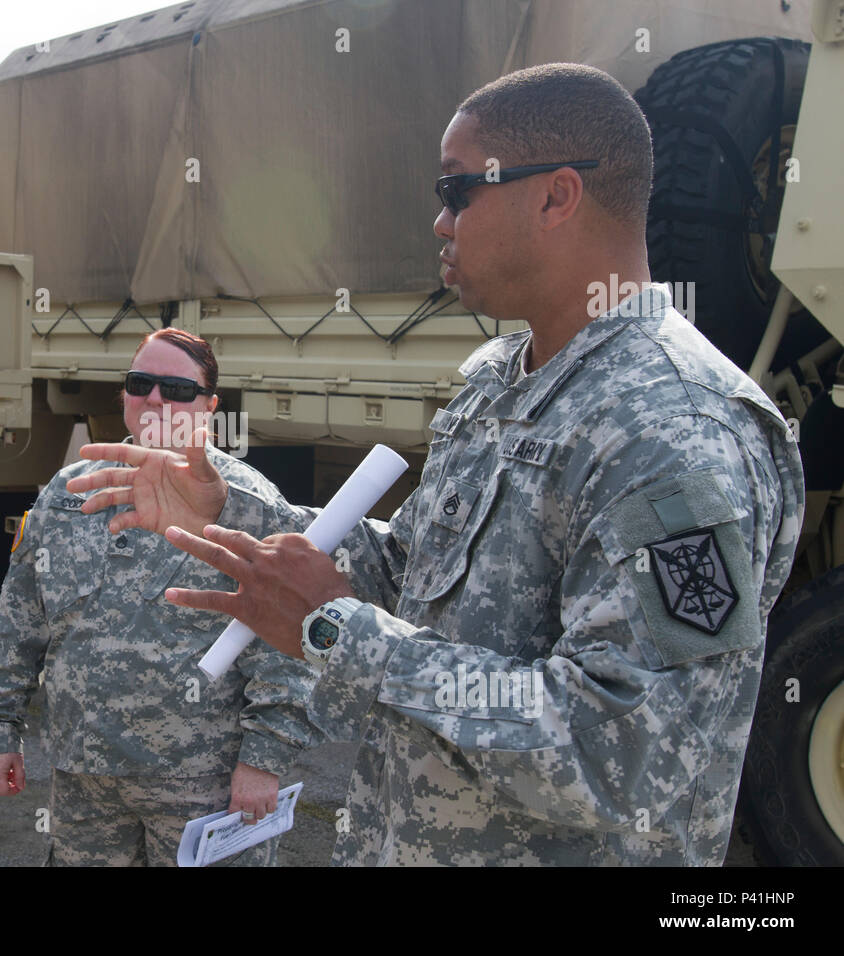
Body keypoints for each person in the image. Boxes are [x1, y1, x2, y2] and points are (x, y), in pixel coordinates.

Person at [65, 64, 806, 865]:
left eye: (457, 192)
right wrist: (235, 512)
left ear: (556, 196)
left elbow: (626, 755)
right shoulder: (503, 378)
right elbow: (408, 572)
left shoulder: (674, 428)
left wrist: (334, 634)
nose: (438, 223)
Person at [0, 328, 316, 866]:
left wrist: (264, 761)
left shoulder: (245, 506)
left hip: (202, 785)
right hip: (85, 780)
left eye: (176, 388)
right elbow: (18, 622)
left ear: (210, 406)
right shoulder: (65, 496)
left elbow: (285, 646)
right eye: (140, 382)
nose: (155, 398)